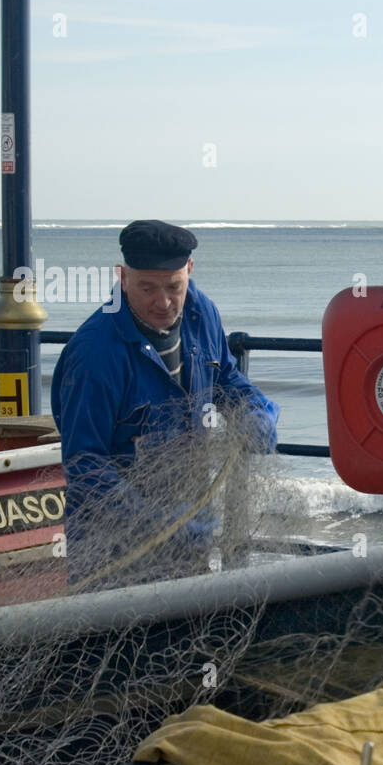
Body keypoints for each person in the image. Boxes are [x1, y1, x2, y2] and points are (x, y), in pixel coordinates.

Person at [51, 220, 280, 587]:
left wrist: (253, 408)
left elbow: (225, 378)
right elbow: (85, 464)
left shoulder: (201, 312)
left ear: (189, 271)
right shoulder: (95, 353)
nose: (163, 302)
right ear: (122, 277)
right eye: (147, 288)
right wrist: (154, 523)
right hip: (111, 549)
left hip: (192, 524)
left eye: (174, 286)